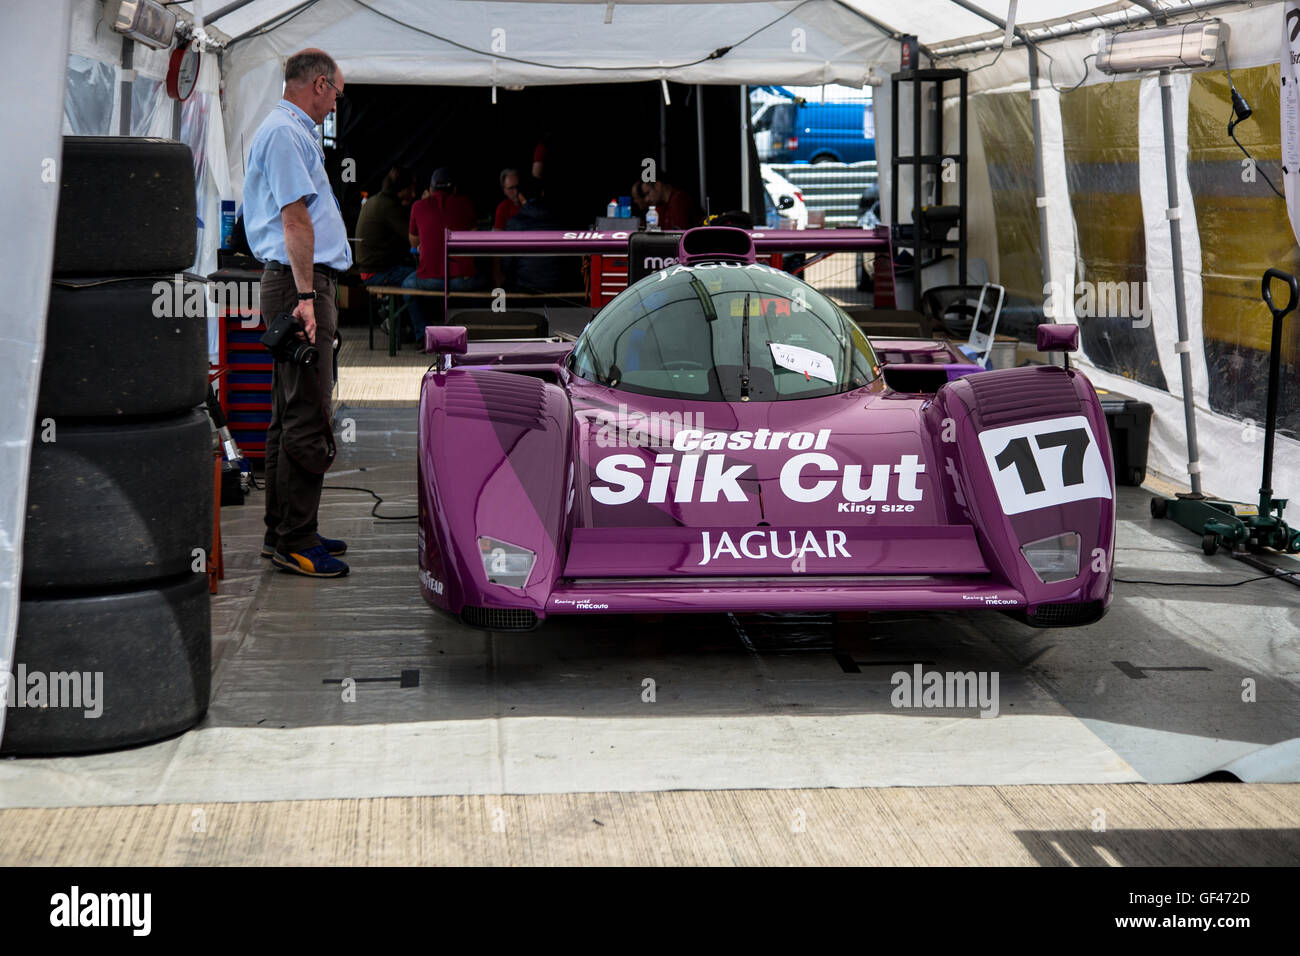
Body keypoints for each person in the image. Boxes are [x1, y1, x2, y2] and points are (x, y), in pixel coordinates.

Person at [242, 48, 350, 578]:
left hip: (293, 284)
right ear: (321, 84)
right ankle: (297, 539)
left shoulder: (287, 130)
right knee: (308, 414)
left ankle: (281, 530)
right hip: (296, 286)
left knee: (287, 415)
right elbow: (295, 220)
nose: (335, 107)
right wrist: (308, 299)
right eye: (336, 96)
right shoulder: (286, 133)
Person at [402, 167, 484, 343]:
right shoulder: (466, 203)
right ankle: (475, 334)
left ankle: (423, 335)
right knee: (483, 283)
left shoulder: (418, 206)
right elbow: (475, 239)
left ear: (430, 189)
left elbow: (413, 243)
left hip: (430, 280)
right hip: (464, 280)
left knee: (406, 285)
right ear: (454, 189)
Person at [504, 175, 576, 293]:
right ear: (542, 193)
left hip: (524, 289)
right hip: (559, 287)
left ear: (521, 196)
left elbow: (507, 264)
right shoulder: (560, 219)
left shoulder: (513, 224)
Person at [355, 165, 417, 287]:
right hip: (378, 272)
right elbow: (413, 237)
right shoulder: (390, 207)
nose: (414, 194)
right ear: (403, 189)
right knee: (423, 279)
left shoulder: (376, 200)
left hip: (368, 269)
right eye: (411, 189)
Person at [631, 173, 703, 230]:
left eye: (648, 193)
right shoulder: (662, 205)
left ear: (657, 186)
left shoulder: (678, 200)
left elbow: (678, 235)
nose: (646, 199)